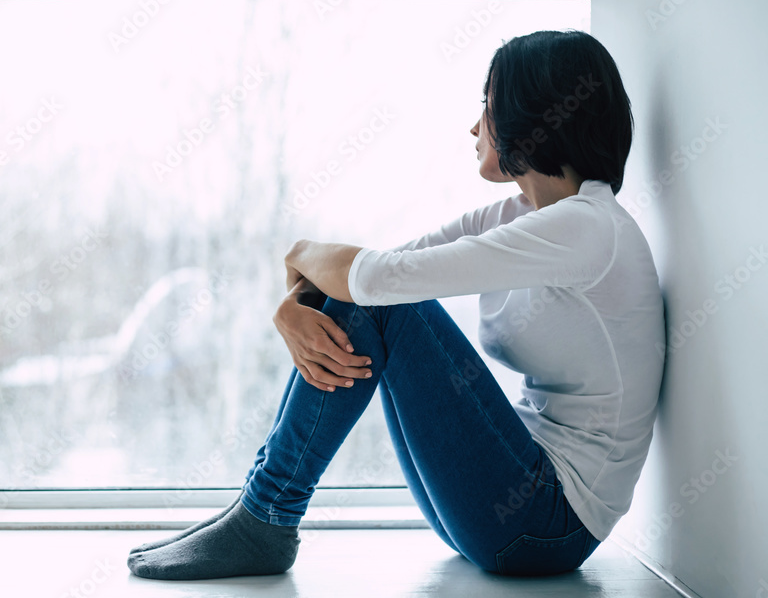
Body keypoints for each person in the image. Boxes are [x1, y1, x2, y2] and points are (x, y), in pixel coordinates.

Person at [127, 29, 665, 581]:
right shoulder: (518, 217)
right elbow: (377, 271)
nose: (475, 125)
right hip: (506, 505)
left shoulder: (588, 228)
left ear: (534, 110)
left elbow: (377, 282)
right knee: (380, 300)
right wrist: (293, 305)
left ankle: (265, 515)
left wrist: (299, 254)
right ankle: (260, 510)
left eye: (487, 102)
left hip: (547, 525)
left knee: (388, 304)